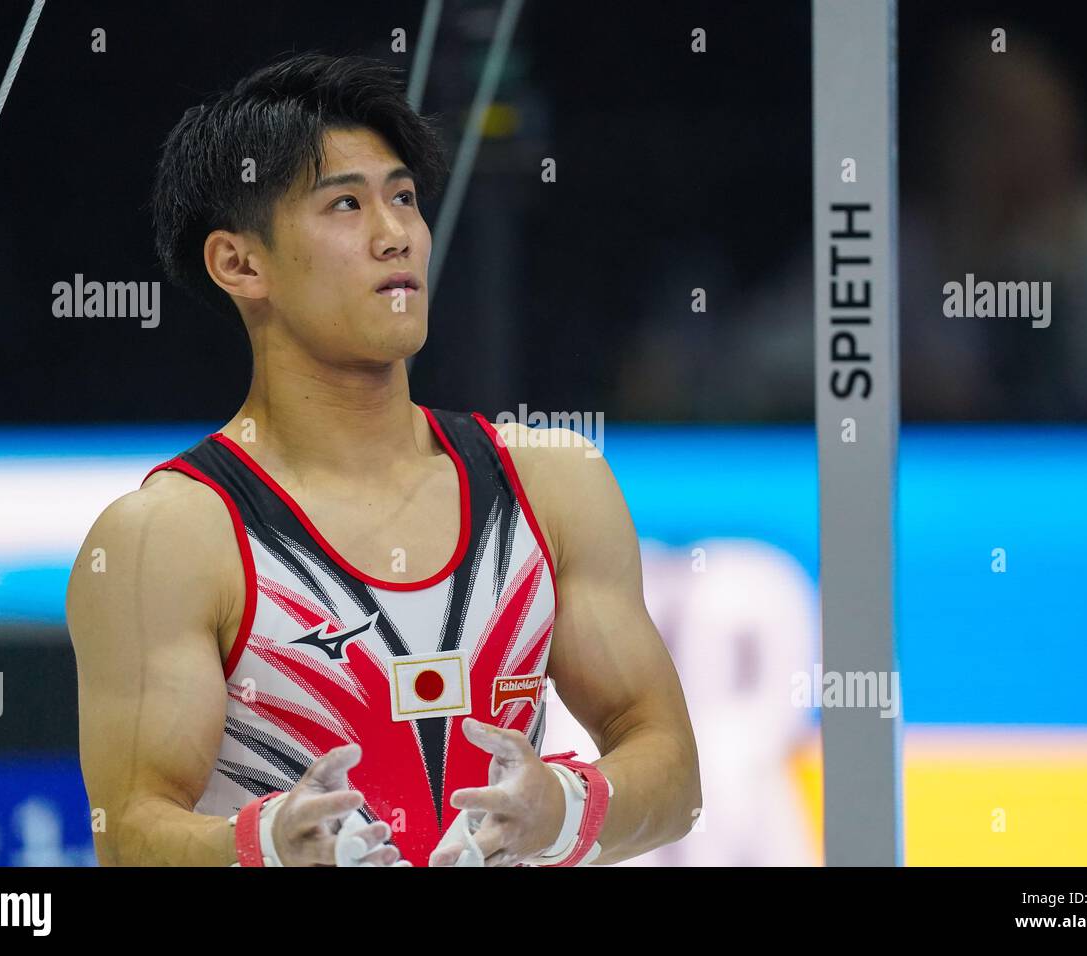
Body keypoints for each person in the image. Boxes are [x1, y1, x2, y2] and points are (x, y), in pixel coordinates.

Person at [65, 52, 701, 867]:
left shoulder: (550, 486)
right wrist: (264, 847)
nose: (395, 233)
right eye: (345, 204)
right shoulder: (173, 538)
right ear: (240, 264)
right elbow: (129, 837)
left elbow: (675, 778)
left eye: (403, 197)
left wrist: (567, 808)